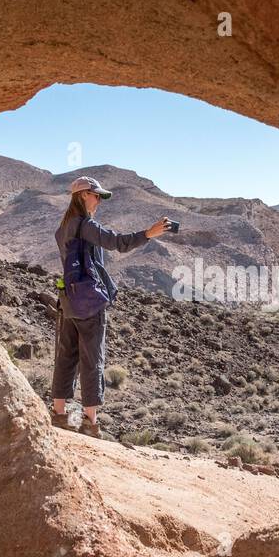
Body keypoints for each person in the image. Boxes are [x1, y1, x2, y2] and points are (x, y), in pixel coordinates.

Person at [51, 176, 171, 437]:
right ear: (83, 195)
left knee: (67, 356)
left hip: (68, 300)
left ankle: (58, 414)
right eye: (97, 195)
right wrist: (148, 234)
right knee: (92, 359)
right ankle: (90, 422)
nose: (100, 200)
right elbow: (117, 242)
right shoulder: (85, 225)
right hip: (89, 302)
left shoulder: (63, 228)